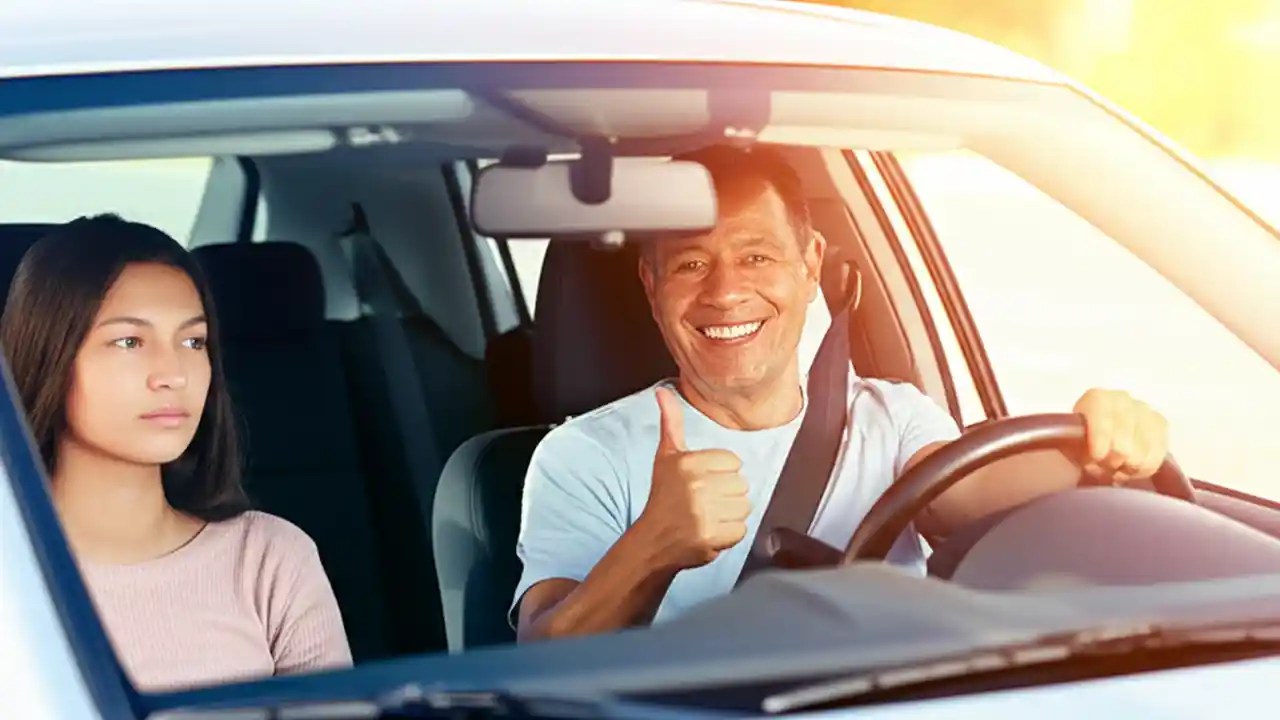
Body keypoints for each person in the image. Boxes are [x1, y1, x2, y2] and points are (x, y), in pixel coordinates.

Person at [512, 146, 1171, 642]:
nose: (725, 292)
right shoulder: (582, 455)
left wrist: (1095, 442)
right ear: (651, 289)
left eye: (757, 256)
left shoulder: (892, 418)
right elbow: (539, 657)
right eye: (689, 264)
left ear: (810, 265)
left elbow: (967, 492)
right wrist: (653, 546)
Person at [0, 215, 352, 691]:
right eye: (129, 341)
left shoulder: (270, 558)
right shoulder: (13, 578)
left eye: (193, 341)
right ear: (51, 356)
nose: (174, 374)